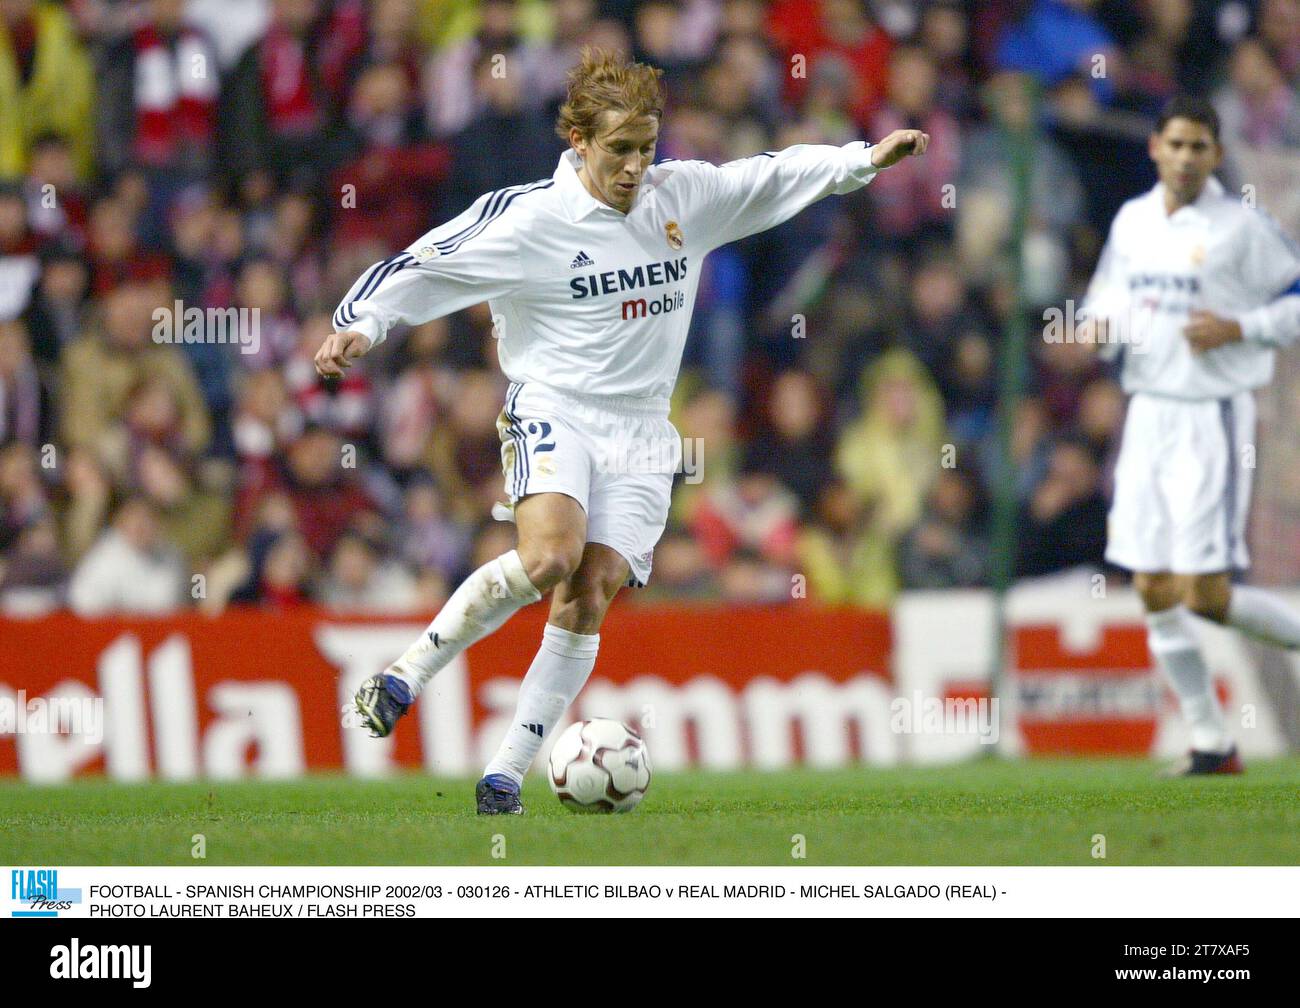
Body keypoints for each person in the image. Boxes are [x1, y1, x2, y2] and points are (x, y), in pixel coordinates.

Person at [315, 48, 929, 813]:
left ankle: (505, 775)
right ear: (578, 141)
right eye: (620, 150)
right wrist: (360, 326)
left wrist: (860, 161)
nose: (638, 165)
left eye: (648, 147)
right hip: (555, 406)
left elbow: (770, 176)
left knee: (592, 589)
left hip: (642, 429)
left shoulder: (683, 198)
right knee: (548, 558)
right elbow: (423, 265)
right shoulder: (530, 220)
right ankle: (404, 674)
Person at [1077, 95, 1300, 775]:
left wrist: (1242, 327)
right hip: (1147, 414)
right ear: (1154, 148)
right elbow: (1107, 299)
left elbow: (1293, 300)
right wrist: (1094, 329)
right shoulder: (1131, 221)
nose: (1184, 157)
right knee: (1149, 585)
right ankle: (1210, 740)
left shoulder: (1240, 228)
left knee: (1205, 594)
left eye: (1198, 147)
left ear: (1216, 155)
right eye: (1174, 144)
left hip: (1214, 414)